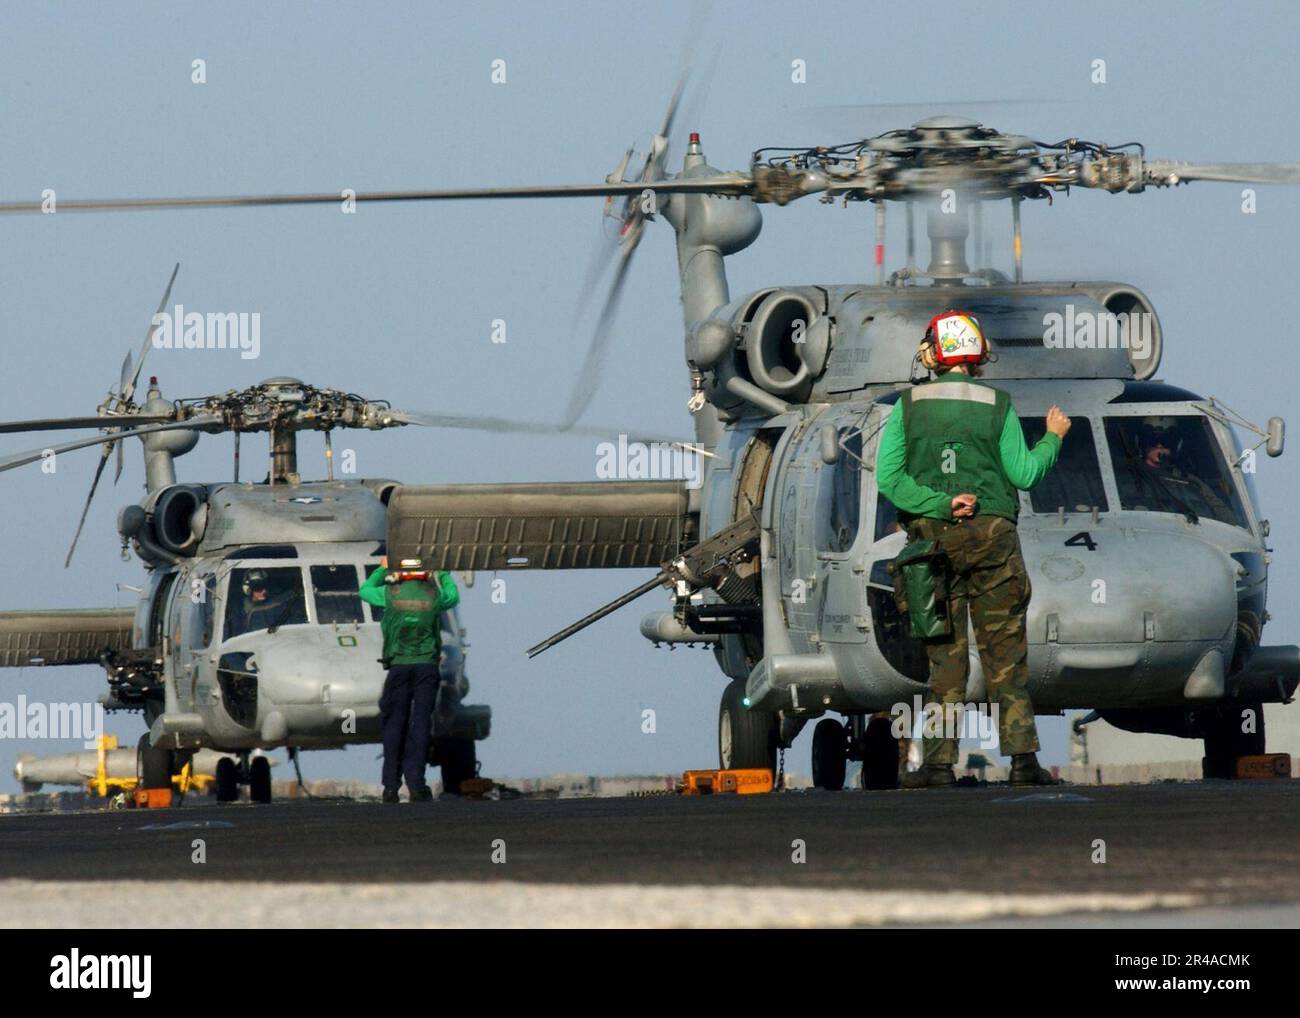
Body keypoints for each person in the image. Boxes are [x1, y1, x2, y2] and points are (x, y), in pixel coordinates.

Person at [875, 310, 1070, 788]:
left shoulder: (907, 406)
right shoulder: (997, 403)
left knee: (945, 661)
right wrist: (1053, 439)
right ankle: (1024, 762)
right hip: (994, 544)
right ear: (977, 356)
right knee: (1006, 657)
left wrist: (941, 503)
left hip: (931, 544)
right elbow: (1025, 474)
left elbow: (888, 479)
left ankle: (939, 765)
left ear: (934, 355)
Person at [360, 555, 459, 803]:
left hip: (399, 668)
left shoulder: (390, 594)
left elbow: (364, 590)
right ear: (426, 573)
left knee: (395, 724)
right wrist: (443, 571)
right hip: (427, 667)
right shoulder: (433, 596)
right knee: (421, 722)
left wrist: (382, 569)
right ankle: (417, 785)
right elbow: (453, 595)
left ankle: (390, 787)